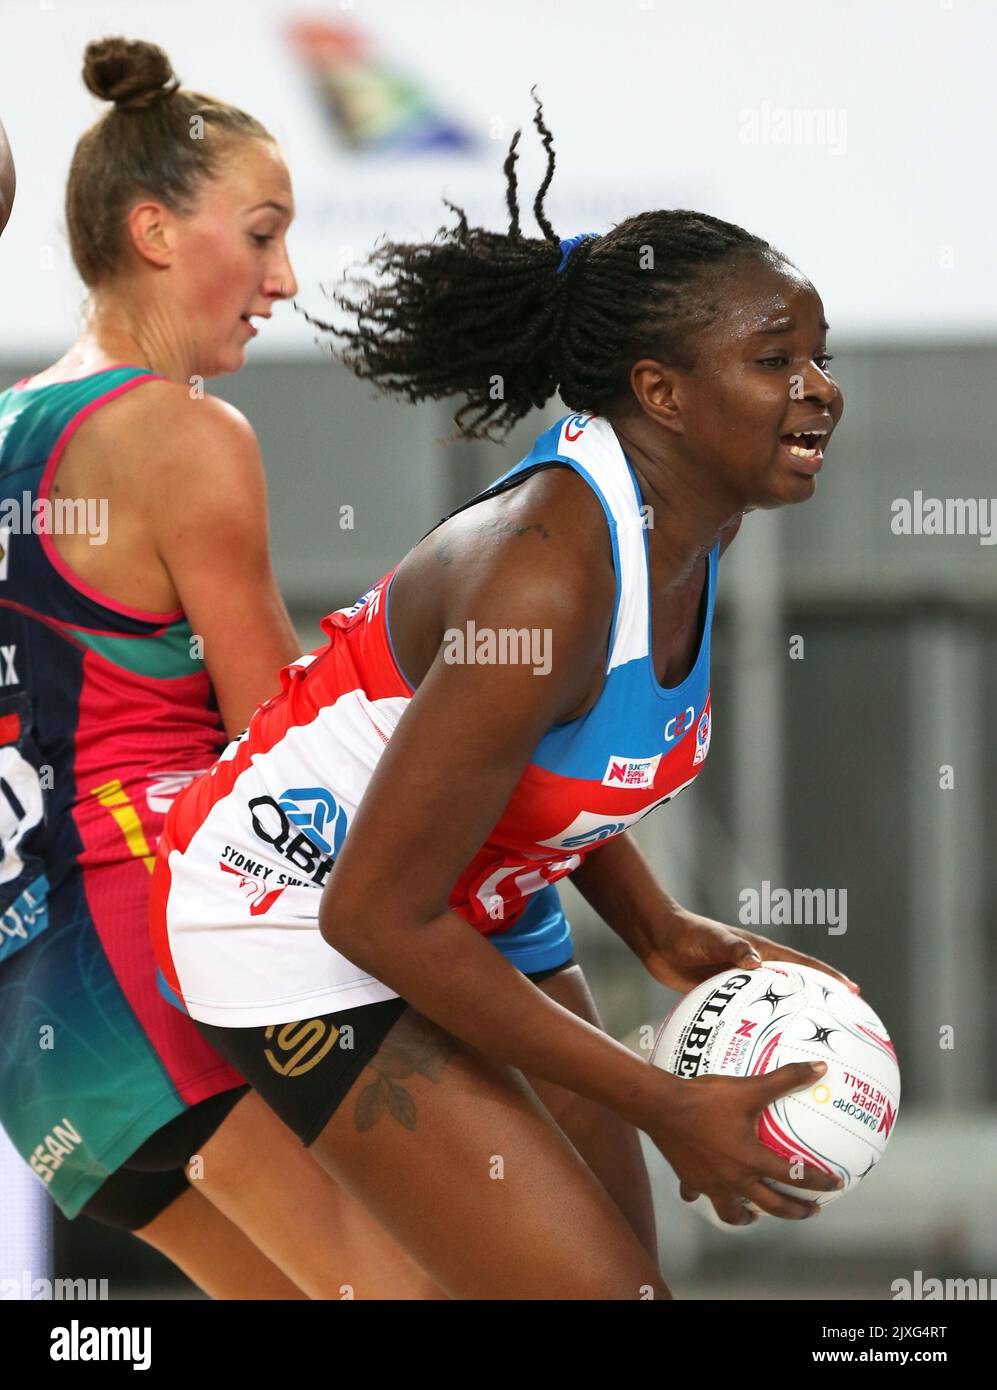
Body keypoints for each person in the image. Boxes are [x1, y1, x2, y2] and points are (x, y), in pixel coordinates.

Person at [151, 96, 850, 1300]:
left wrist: (660, 930)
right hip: (302, 914)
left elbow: (552, 767)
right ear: (662, 393)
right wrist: (669, 1102)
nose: (820, 390)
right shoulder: (546, 578)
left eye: (818, 354)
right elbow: (373, 918)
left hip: (457, 890)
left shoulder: (686, 519)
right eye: (775, 360)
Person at [0, 36, 445, 1301]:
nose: (285, 278)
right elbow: (275, 744)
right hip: (167, 966)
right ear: (153, 229)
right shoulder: (188, 436)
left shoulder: (13, 425)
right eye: (260, 234)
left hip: (39, 1025)